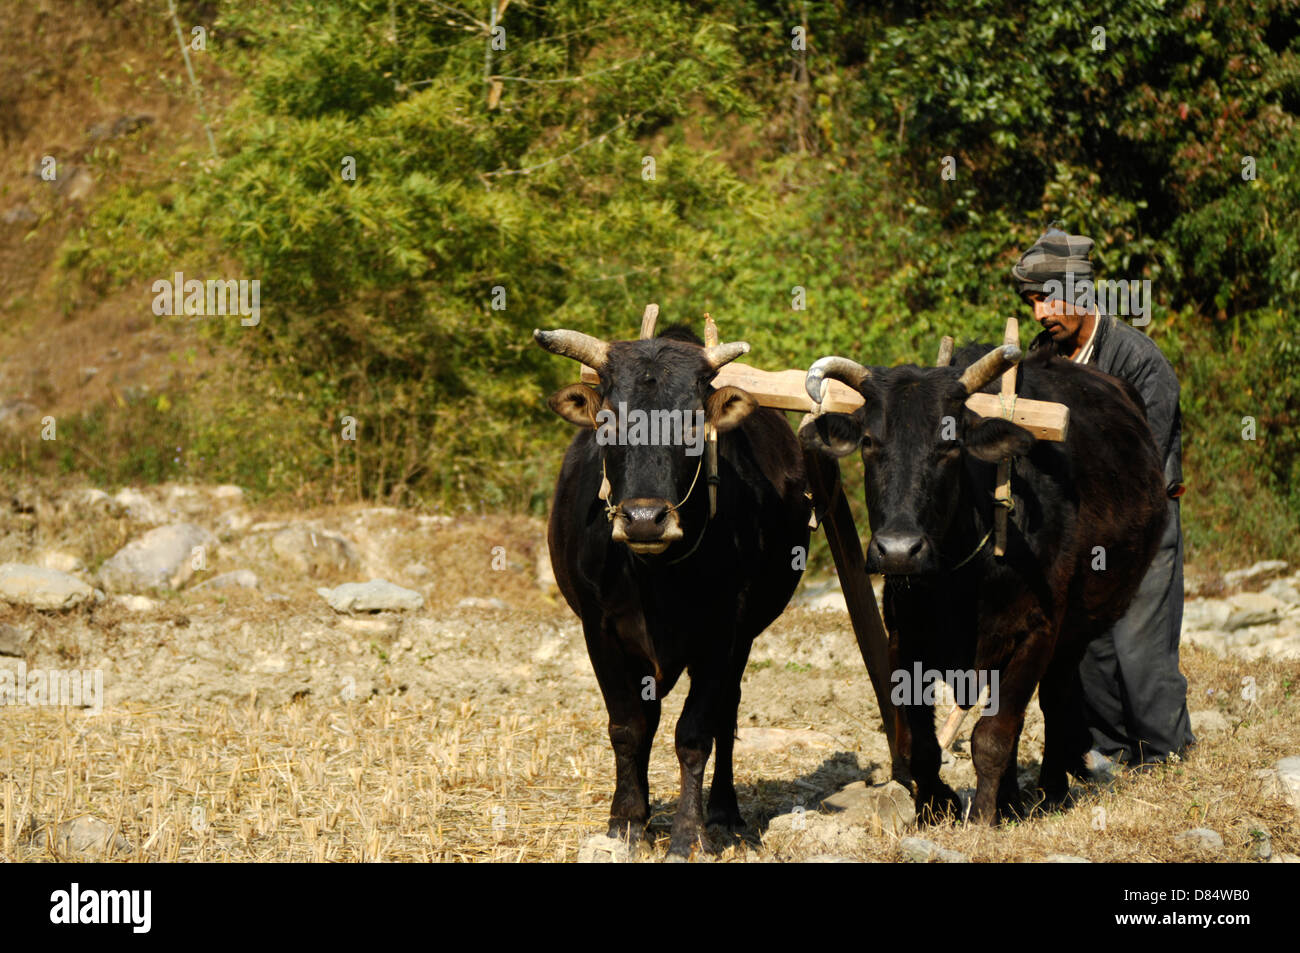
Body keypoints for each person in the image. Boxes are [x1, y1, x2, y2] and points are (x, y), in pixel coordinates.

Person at [1011, 227, 1195, 774]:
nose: (1041, 311)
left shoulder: (1140, 362)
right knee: (1089, 648)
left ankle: (1168, 759)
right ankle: (1110, 754)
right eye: (1033, 300)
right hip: (1078, 527)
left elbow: (1144, 461)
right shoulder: (1043, 359)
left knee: (1141, 648)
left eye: (1050, 296)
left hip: (1141, 522)